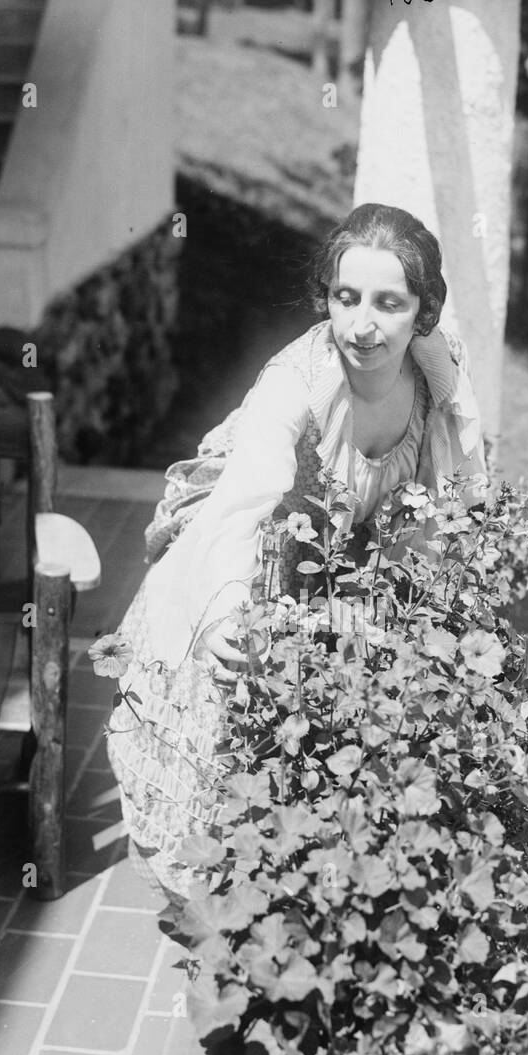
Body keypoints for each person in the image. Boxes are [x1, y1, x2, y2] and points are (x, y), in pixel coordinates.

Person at [105, 203, 487, 907]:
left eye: (387, 303)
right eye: (345, 299)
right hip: (261, 539)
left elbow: (455, 497)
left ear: (422, 313)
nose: (361, 326)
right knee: (229, 699)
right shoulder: (295, 382)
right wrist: (222, 612)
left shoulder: (437, 383)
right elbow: (242, 505)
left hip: (346, 545)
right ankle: (229, 895)